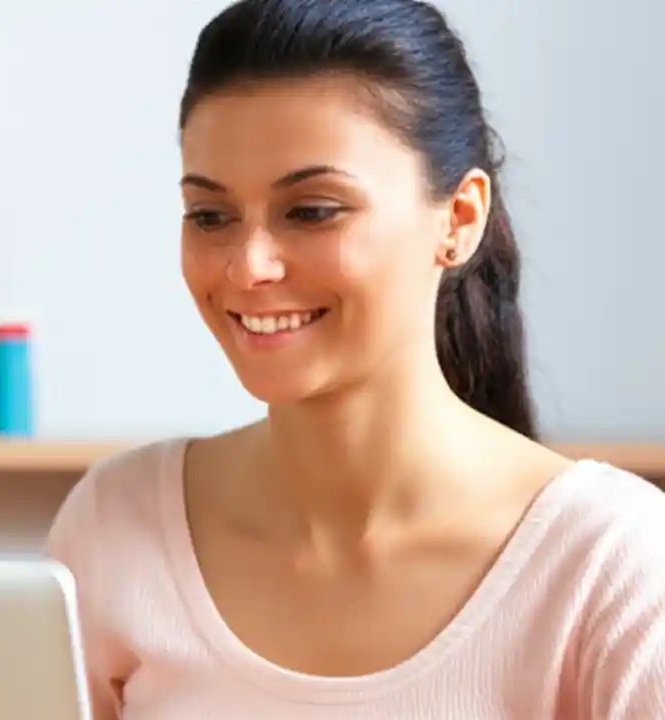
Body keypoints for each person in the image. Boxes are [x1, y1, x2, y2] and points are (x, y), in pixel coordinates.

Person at [45, 0, 665, 717]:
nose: (248, 267)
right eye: (210, 216)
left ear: (459, 220)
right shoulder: (114, 528)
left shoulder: (613, 566)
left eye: (312, 210)